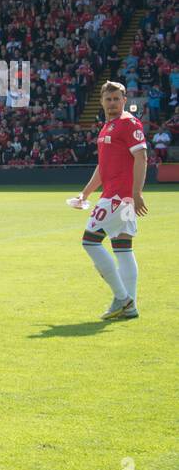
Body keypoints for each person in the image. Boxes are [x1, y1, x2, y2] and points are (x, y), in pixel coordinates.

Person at [71, 80, 148, 319]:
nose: (112, 103)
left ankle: (122, 297)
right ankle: (130, 306)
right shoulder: (108, 127)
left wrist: (136, 193)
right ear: (102, 101)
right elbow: (102, 167)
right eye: (108, 99)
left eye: (117, 99)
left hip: (118, 197)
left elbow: (142, 158)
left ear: (125, 100)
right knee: (123, 249)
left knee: (90, 242)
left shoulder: (128, 124)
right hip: (115, 196)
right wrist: (85, 193)